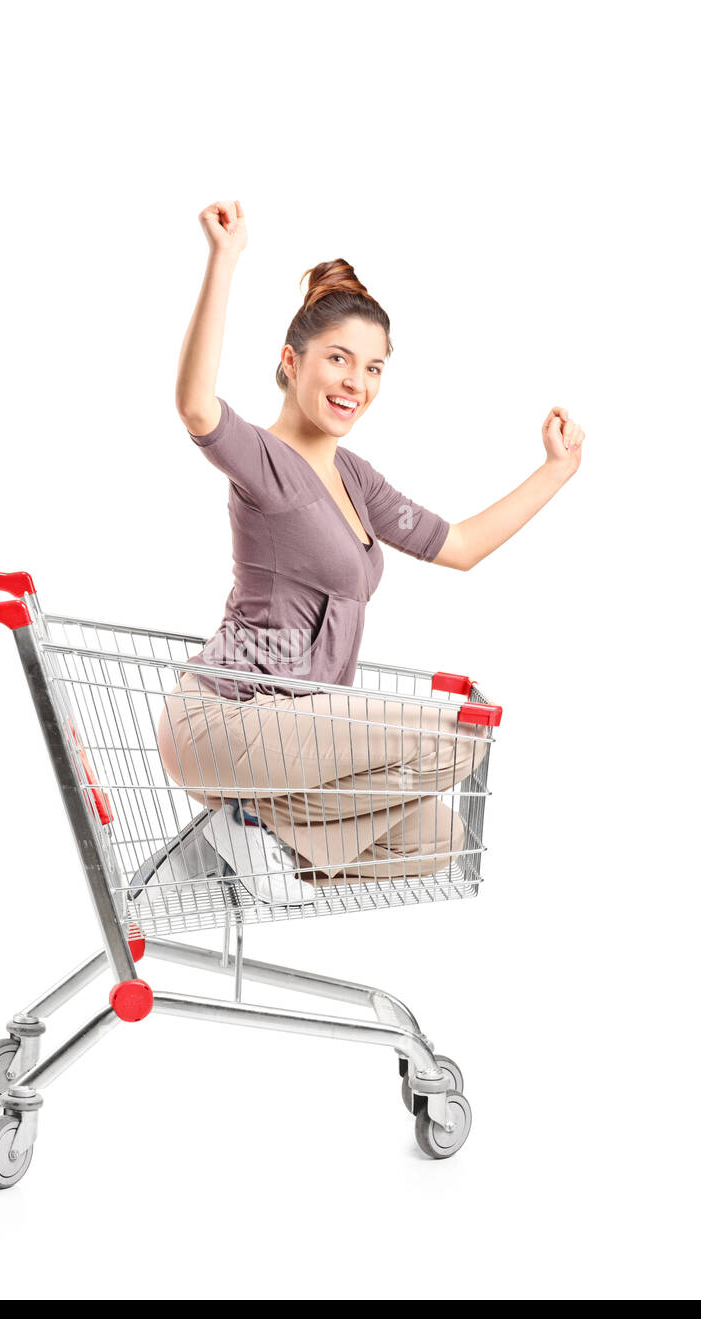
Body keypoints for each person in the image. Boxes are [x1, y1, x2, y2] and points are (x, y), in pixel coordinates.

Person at [156, 199, 584, 903]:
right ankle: (247, 822)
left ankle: (250, 835)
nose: (357, 382)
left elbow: (460, 546)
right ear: (291, 362)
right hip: (228, 718)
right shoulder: (265, 460)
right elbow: (197, 406)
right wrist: (224, 260)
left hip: (299, 729)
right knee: (461, 738)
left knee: (440, 839)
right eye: (338, 359)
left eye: (374, 368)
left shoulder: (357, 480)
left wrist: (556, 472)